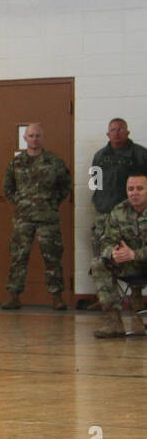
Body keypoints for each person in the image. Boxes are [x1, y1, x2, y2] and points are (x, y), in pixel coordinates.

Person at [1, 122, 72, 309]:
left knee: (53, 257)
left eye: (38, 135)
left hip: (48, 218)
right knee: (18, 256)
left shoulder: (54, 162)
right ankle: (14, 295)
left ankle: (57, 297)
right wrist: (21, 202)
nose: (34, 139)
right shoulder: (16, 162)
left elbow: (65, 186)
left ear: (43, 137)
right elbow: (8, 187)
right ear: (25, 138)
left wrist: (51, 202)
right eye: (31, 136)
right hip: (23, 218)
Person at [91, 171, 147, 338]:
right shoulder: (119, 211)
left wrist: (134, 254)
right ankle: (114, 322)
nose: (134, 193)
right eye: (130, 189)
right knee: (99, 264)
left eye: (140, 188)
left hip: (139, 258)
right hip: (130, 263)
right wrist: (113, 253)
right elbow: (107, 240)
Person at [90, 119, 147, 256]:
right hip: (105, 214)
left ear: (127, 132)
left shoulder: (140, 154)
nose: (116, 133)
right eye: (113, 130)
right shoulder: (99, 156)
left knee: (134, 255)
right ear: (107, 134)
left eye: (121, 129)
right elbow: (95, 183)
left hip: (132, 216)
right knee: (102, 256)